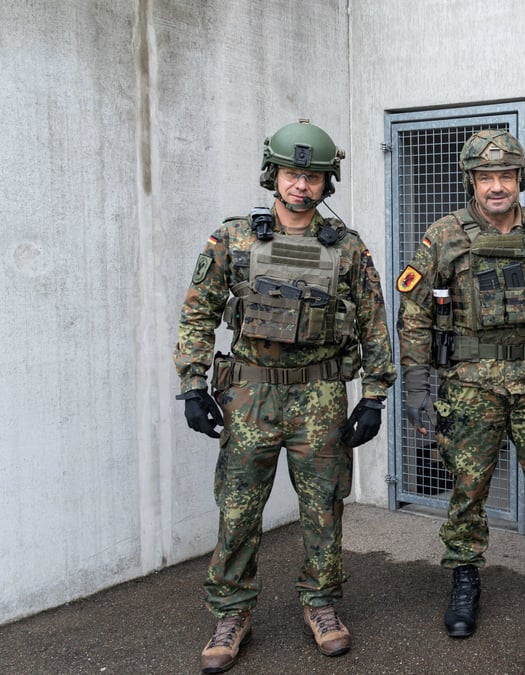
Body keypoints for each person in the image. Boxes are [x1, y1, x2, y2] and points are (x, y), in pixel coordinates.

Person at [174, 119, 397, 672]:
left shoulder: (346, 247)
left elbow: (374, 323)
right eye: (293, 173)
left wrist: (374, 396)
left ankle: (321, 605)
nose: (302, 185)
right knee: (239, 508)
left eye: (314, 176)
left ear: (328, 183)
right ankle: (230, 613)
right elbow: (198, 311)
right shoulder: (234, 237)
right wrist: (191, 385)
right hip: (248, 395)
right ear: (273, 174)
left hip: (319, 396)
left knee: (323, 508)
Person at [397, 129, 525, 637]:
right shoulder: (443, 236)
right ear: (473, 181)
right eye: (486, 177)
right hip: (469, 389)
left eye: (505, 175)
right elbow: (414, 316)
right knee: (468, 491)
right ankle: (465, 580)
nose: (497, 186)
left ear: (519, 179)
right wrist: (416, 388)